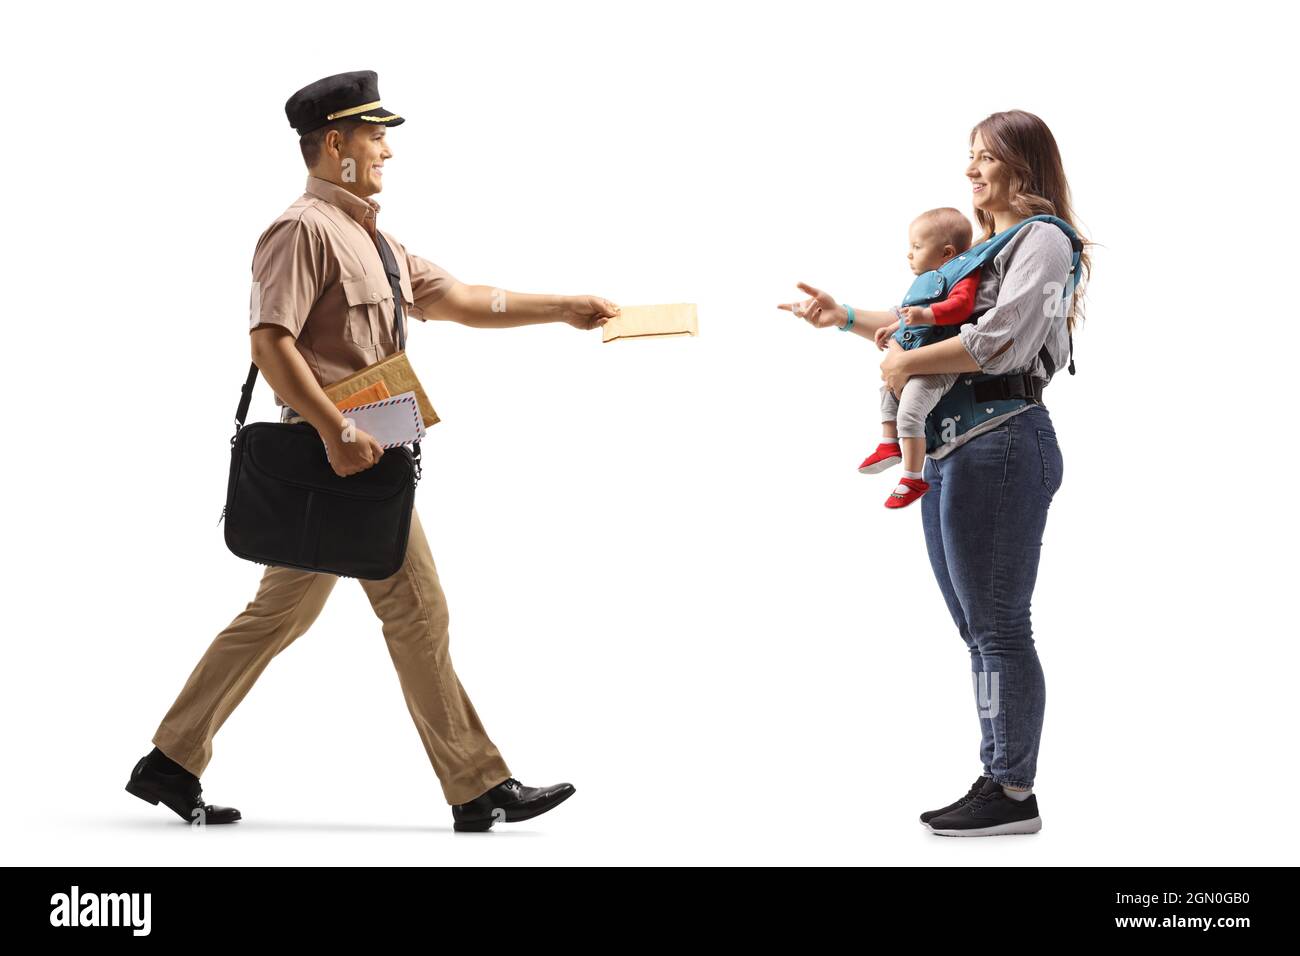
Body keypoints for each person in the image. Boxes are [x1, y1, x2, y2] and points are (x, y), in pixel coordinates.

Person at [126, 70, 621, 832]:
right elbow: (269, 340)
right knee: (417, 607)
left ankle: (170, 759)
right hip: (339, 456)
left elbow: (454, 297)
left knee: (276, 616)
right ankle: (478, 785)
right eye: (373, 133)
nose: (386, 147)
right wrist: (335, 428)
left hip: (366, 450)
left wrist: (563, 309)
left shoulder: (372, 236)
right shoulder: (301, 229)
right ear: (334, 143)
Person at [780, 109, 1091, 836]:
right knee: (979, 628)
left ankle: (1011, 790)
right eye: (970, 158)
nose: (971, 171)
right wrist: (847, 318)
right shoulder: (985, 250)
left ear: (1022, 163)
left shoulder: (1042, 239)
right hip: (959, 448)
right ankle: (1000, 776)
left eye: (984, 157)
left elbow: (1004, 343)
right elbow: (918, 325)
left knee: (1000, 626)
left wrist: (907, 362)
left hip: (1002, 440)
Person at [853, 207, 982, 508]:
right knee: (887, 392)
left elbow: (961, 307)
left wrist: (925, 314)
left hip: (937, 361)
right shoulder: (928, 280)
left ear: (946, 253)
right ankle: (888, 444)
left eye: (917, 247)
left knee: (910, 413)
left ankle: (912, 477)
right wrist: (892, 327)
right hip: (916, 352)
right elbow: (911, 317)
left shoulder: (964, 272)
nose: (909, 255)